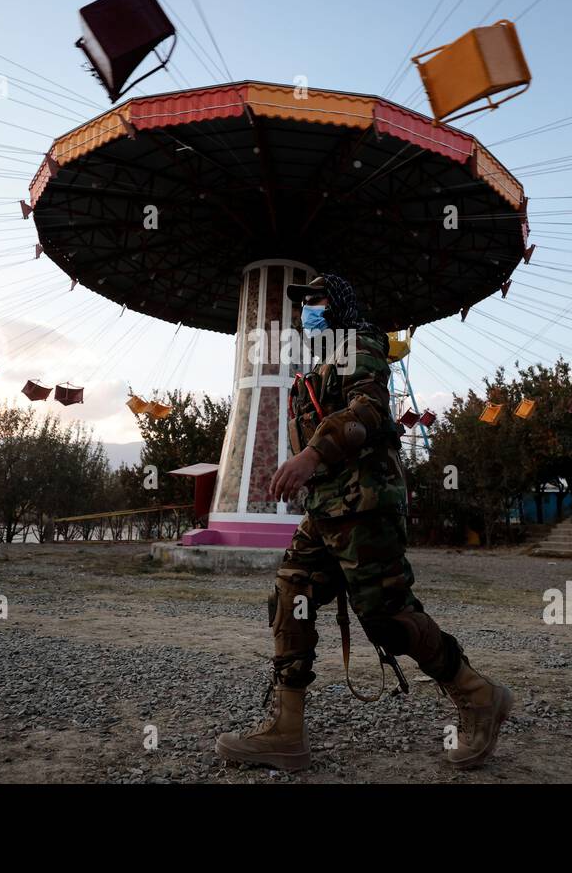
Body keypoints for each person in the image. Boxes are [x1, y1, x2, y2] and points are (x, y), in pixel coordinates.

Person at [215, 273, 513, 772]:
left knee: (387, 618)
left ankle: (478, 695)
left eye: (316, 298)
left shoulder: (360, 343)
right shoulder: (321, 362)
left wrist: (311, 455)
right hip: (327, 509)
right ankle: (286, 732)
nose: (307, 307)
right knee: (294, 593)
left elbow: (369, 410)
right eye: (302, 301)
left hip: (366, 506)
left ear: (341, 303)